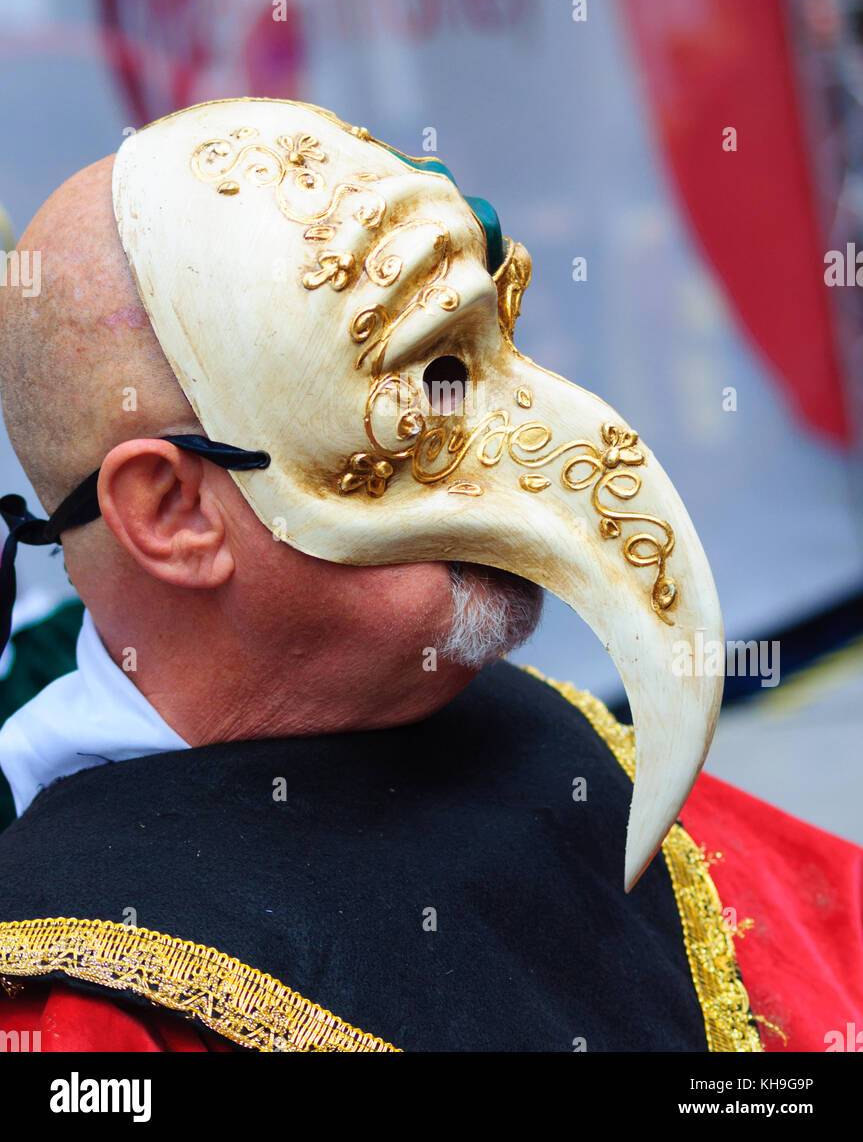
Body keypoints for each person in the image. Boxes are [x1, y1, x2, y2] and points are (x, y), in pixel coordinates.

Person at [0, 98, 859, 1053]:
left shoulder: (576, 756)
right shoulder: (86, 1021)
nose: (534, 438)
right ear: (175, 513)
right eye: (426, 379)